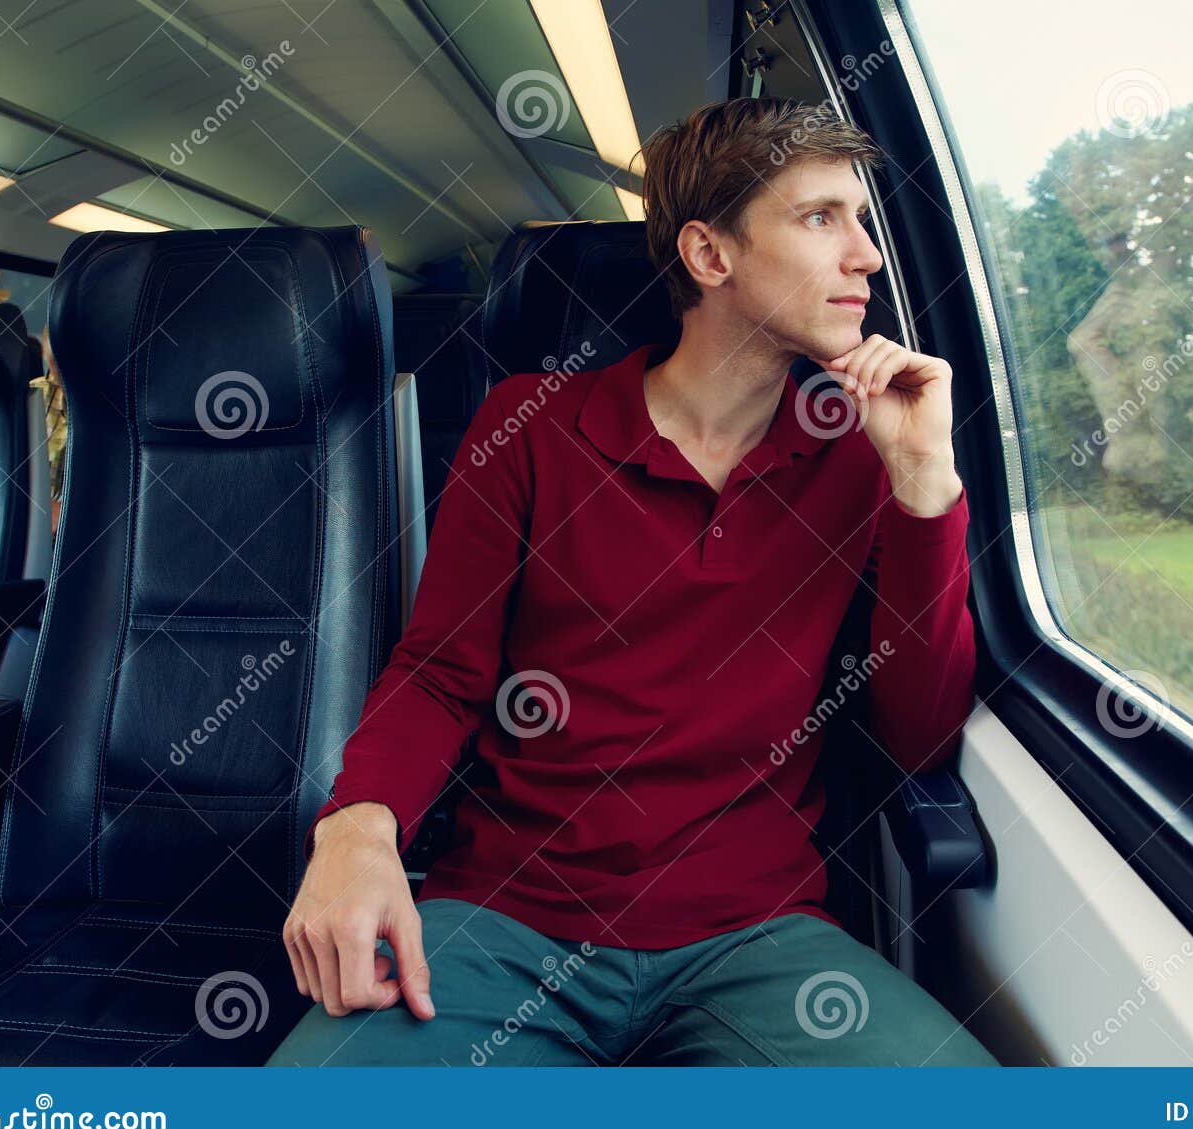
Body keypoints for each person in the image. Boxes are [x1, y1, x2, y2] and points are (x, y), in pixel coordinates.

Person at [268, 97, 996, 1067]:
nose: (864, 254)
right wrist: (356, 830)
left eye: (859, 220)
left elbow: (917, 733)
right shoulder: (526, 423)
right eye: (821, 217)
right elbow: (440, 670)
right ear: (709, 254)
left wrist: (922, 484)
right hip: (504, 917)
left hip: (755, 935)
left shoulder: (857, 453)